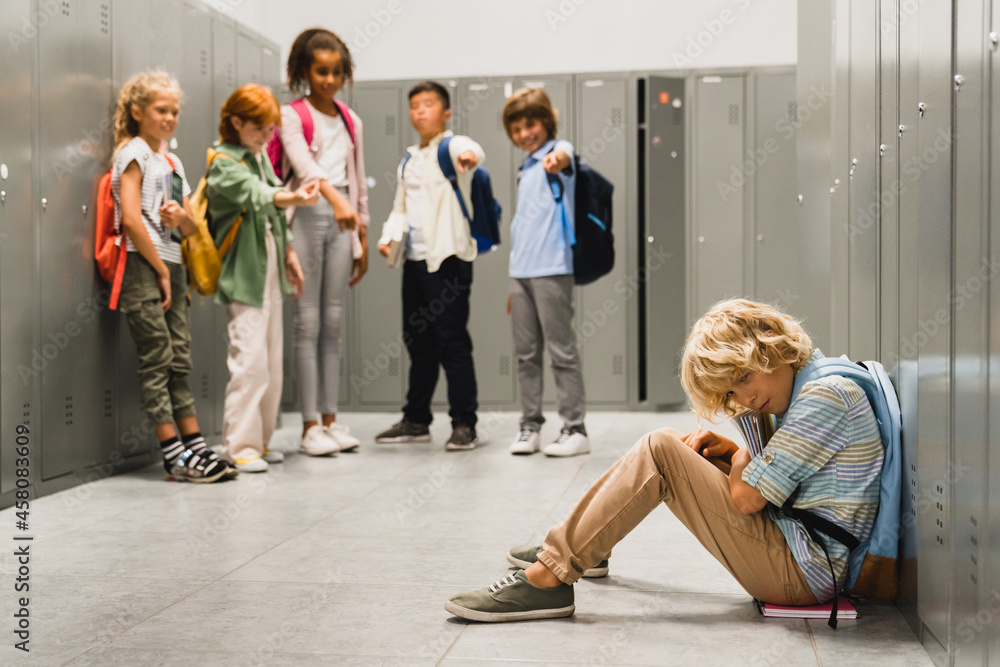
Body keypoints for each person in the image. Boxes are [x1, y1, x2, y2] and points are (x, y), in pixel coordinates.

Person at [445, 299, 885, 621]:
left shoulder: (825, 397)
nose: (744, 399)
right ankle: (586, 548)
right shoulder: (813, 387)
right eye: (731, 393)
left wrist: (744, 454)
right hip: (797, 546)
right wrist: (735, 452)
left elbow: (749, 498)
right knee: (679, 442)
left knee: (662, 449)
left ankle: (550, 577)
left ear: (773, 342)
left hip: (806, 572)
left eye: (743, 379)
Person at [110, 70, 230, 483]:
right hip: (144, 266)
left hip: (171, 264)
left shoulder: (171, 161)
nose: (169, 117)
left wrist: (183, 219)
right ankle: (173, 454)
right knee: (156, 357)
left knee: (180, 357)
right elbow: (129, 217)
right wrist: (160, 270)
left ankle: (196, 445)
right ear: (138, 111)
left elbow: (190, 225)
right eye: (161, 109)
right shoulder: (133, 154)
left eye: (175, 111)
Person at [207, 83, 318, 473]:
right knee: (249, 360)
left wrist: (289, 252)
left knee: (271, 361)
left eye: (271, 129)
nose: (267, 137)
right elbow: (259, 195)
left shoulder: (257, 156)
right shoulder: (223, 161)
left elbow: (271, 203)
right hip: (244, 271)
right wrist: (297, 198)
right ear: (235, 122)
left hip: (269, 263)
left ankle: (262, 440)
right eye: (259, 128)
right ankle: (240, 445)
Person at [375, 81, 486, 451]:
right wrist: (389, 235)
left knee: (453, 342)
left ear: (446, 113)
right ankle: (417, 419)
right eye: (415, 106)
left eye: (428, 104)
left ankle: (464, 423)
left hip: (448, 261)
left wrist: (470, 157)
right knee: (418, 342)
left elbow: (472, 150)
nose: (420, 111)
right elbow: (400, 207)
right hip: (415, 262)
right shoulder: (409, 159)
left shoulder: (451, 148)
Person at [278, 28, 369, 457]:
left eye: (336, 72)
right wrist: (337, 203)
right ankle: (309, 425)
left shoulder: (352, 120)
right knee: (307, 322)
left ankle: (332, 420)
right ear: (304, 72)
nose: (329, 80)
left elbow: (358, 182)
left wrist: (361, 236)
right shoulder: (292, 114)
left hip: (343, 220)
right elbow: (303, 164)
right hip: (311, 211)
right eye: (321, 72)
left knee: (333, 323)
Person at [502, 88, 588, 457]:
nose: (525, 133)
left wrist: (557, 159)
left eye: (532, 124)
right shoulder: (526, 167)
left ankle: (575, 428)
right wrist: (514, 280)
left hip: (552, 270)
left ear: (546, 124)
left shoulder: (557, 154)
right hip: (521, 272)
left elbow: (566, 156)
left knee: (561, 352)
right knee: (526, 354)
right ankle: (530, 426)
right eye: (517, 128)